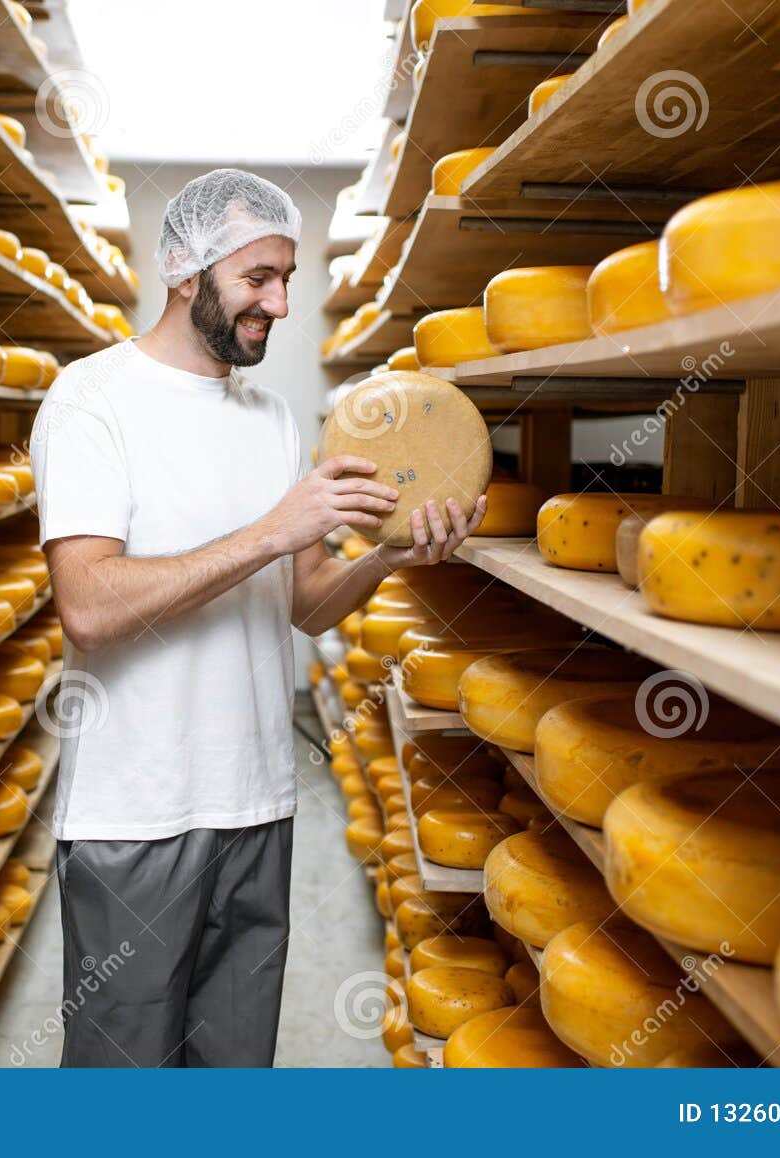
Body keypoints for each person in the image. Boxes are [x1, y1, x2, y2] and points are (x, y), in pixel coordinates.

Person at [30, 168, 485, 1067]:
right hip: (137, 816)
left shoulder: (276, 420)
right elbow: (87, 605)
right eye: (258, 278)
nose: (280, 303)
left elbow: (307, 606)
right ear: (185, 272)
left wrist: (392, 553)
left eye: (286, 277)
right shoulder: (92, 401)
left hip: (257, 802)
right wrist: (272, 529)